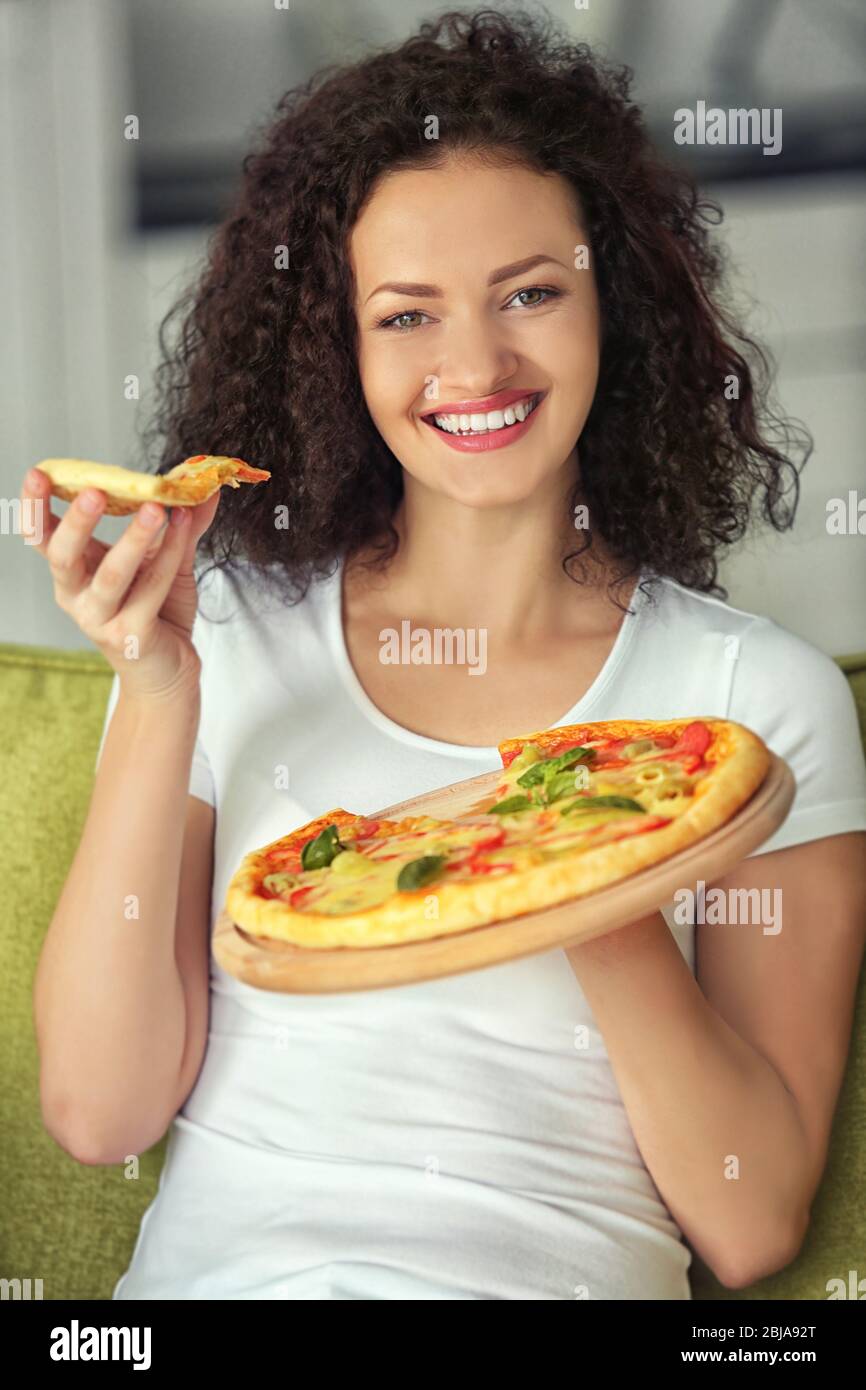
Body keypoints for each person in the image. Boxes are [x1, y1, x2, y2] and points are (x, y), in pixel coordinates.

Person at [26, 9, 866, 1301]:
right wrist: (159, 687)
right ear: (335, 347)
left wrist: (568, 850)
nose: (473, 362)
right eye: (406, 314)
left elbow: (746, 1225)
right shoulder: (231, 634)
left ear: (616, 308)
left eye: (530, 292)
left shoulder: (749, 702)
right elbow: (98, 1111)